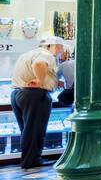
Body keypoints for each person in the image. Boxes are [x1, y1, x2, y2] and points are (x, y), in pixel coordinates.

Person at [10, 36, 66, 170]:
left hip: (18, 93)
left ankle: (29, 159)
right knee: (35, 130)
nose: (61, 51)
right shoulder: (45, 55)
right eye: (61, 48)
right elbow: (38, 64)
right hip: (34, 96)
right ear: (55, 46)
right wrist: (40, 80)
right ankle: (32, 160)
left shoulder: (28, 54)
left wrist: (52, 80)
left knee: (27, 130)